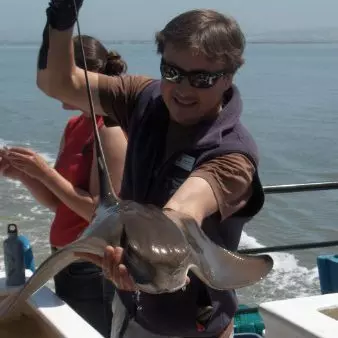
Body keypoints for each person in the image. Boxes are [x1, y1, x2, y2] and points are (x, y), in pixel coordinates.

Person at [36, 1, 266, 338]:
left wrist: (145, 257)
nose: (183, 90)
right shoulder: (144, 98)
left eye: (202, 79)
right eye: (172, 72)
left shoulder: (234, 155)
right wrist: (61, 17)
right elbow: (58, 83)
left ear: (229, 76)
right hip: (129, 314)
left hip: (195, 330)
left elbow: (182, 211)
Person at [0, 33, 128, 337]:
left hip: (93, 270)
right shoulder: (75, 126)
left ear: (79, 78)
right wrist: (21, 173)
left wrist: (44, 172)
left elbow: (103, 214)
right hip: (66, 262)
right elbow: (60, 203)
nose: (50, 89)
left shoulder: (109, 130)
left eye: (56, 79)